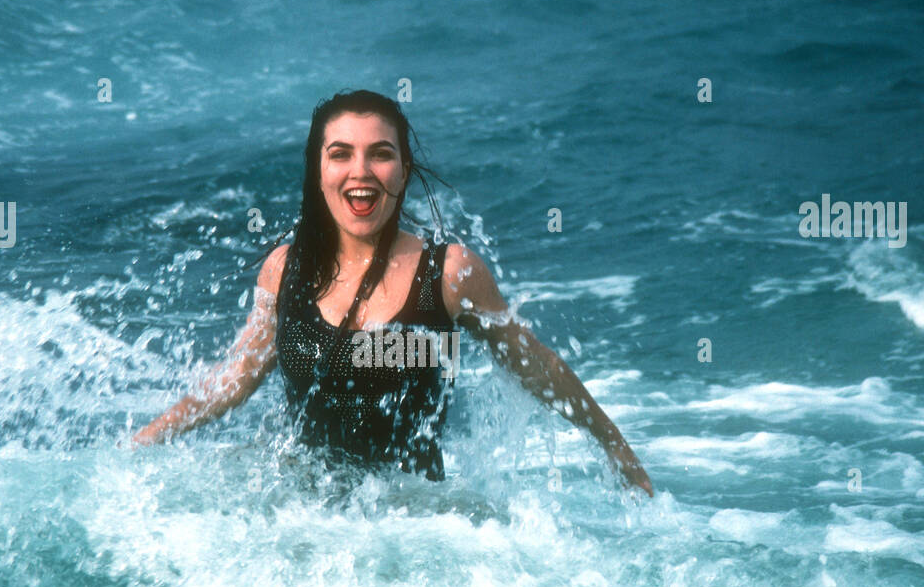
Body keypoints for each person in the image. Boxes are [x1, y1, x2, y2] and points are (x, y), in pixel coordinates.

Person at [131, 90, 652, 495]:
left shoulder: (449, 274)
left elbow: (536, 366)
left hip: (414, 527)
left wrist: (616, 449)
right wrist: (142, 443)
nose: (360, 171)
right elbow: (233, 381)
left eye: (381, 154)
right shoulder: (284, 270)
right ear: (319, 171)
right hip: (299, 520)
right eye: (340, 154)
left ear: (404, 170)